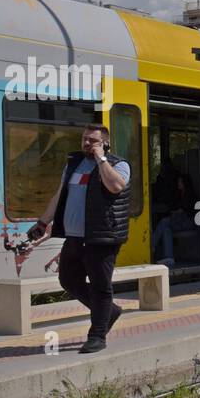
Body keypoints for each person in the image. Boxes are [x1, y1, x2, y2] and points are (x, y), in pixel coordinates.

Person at [27, 124, 132, 353]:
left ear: (104, 143)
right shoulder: (73, 164)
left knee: (100, 288)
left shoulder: (118, 164)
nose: (86, 143)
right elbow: (59, 195)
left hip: (101, 238)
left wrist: (101, 159)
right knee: (68, 280)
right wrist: (42, 222)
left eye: (92, 140)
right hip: (74, 238)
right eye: (84, 139)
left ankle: (97, 336)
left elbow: (115, 187)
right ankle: (109, 312)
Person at [153, 172, 198, 268]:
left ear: (184, 183)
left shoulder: (190, 195)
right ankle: (169, 257)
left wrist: (174, 212)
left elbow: (184, 210)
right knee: (166, 230)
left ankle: (151, 245)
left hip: (188, 222)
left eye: (180, 182)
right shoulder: (179, 194)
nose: (178, 183)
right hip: (180, 221)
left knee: (164, 222)